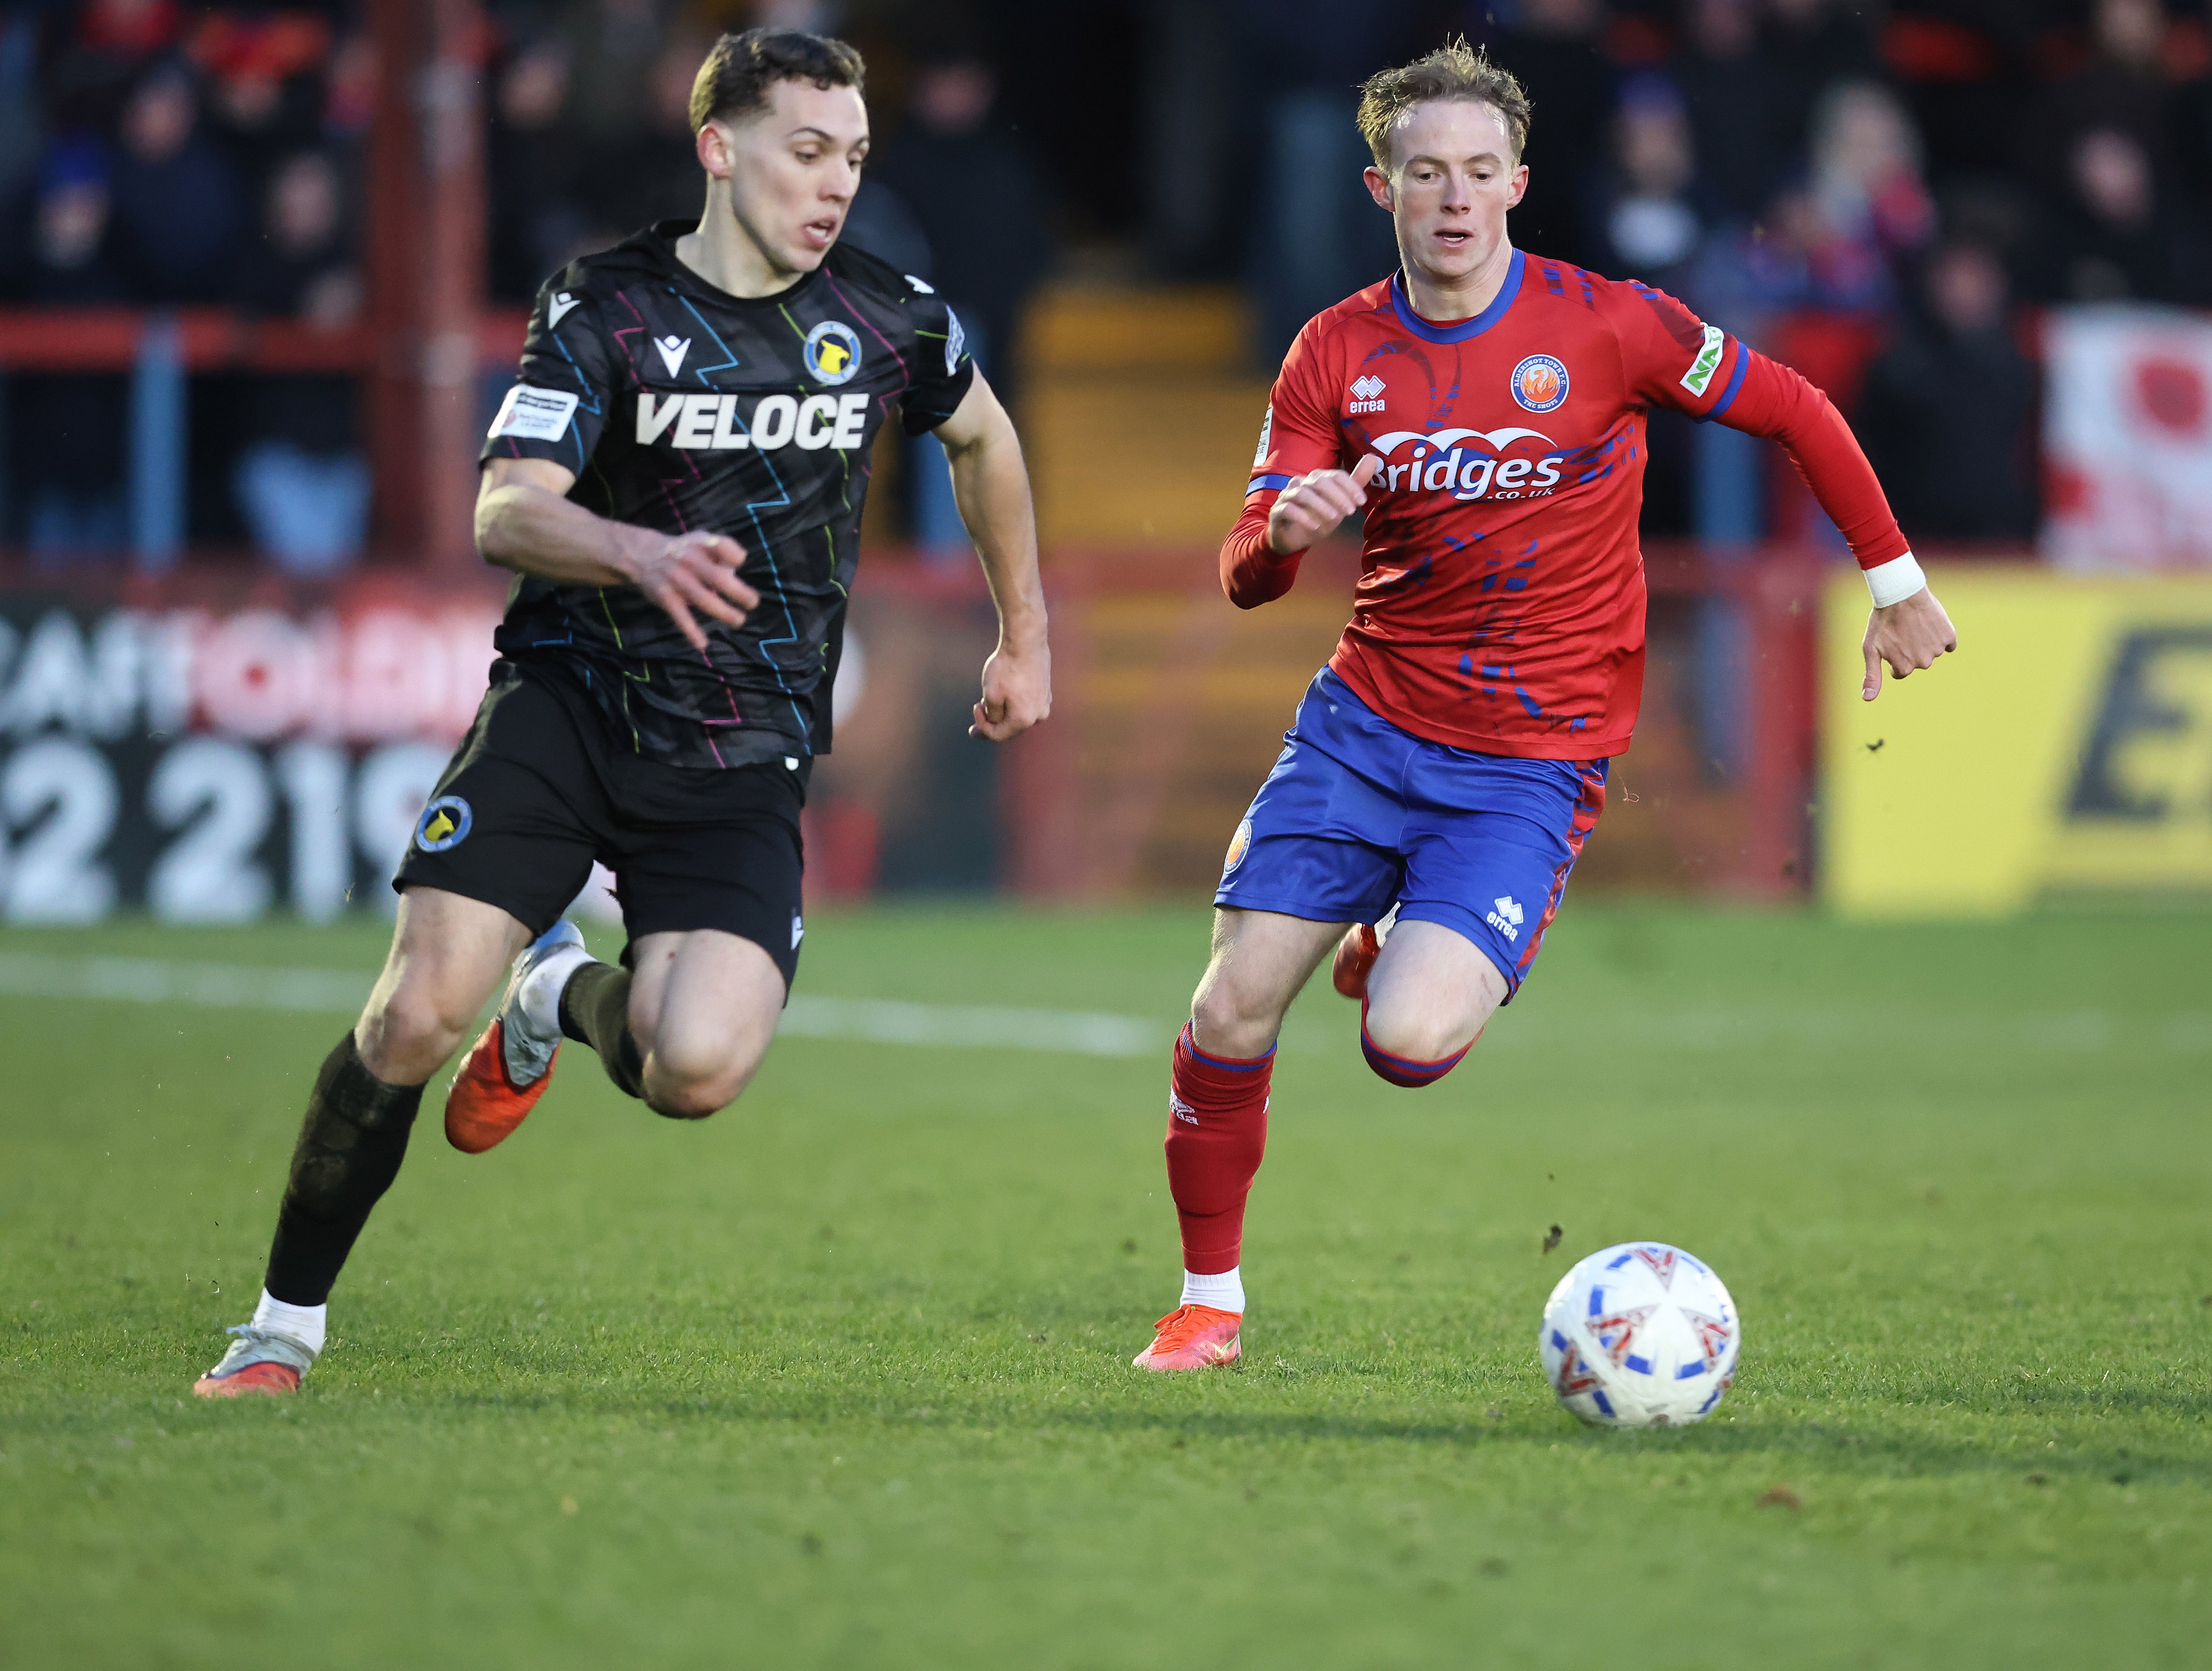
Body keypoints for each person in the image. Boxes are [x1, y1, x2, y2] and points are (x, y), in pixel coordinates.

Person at [193, 25, 1052, 1398]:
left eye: (855, 158)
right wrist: (635, 551)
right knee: (411, 1019)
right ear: (721, 150)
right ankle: (280, 1327)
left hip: (742, 756)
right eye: (807, 152)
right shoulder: (609, 306)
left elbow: (986, 435)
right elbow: (505, 504)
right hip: (570, 715)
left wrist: (1026, 634)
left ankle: (554, 990)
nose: (835, 185)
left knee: (693, 1064)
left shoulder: (893, 315)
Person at [1131, 41, 1956, 1373]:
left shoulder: (1609, 325)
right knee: (1228, 1010)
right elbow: (1244, 574)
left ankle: (1393, 941)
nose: (1453, 198)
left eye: (1476, 172)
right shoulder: (1333, 352)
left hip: (1528, 761)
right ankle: (1207, 1302)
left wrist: (1897, 580)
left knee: (1403, 1041)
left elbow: (1797, 408)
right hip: (1362, 728)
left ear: (1519, 181)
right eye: (1424, 174)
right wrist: (1283, 533)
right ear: (1380, 187)